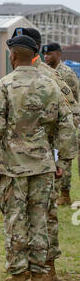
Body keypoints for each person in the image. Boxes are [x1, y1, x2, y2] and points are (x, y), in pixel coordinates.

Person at [0, 35, 77, 281]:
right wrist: (61, 163)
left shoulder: (5, 85)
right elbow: (65, 126)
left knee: (15, 223)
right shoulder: (50, 85)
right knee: (39, 222)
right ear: (35, 55)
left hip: (13, 167)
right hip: (44, 165)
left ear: (13, 56)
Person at [11, 27, 80, 281]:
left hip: (42, 160)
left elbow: (71, 116)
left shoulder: (53, 79)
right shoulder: (15, 77)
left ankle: (46, 268)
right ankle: (31, 267)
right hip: (18, 161)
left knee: (43, 214)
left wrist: (61, 158)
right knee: (25, 215)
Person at [43, 42, 80, 205]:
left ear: (58, 54)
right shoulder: (48, 72)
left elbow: (72, 100)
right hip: (54, 121)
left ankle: (64, 194)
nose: (46, 57)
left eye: (49, 54)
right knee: (56, 157)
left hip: (68, 120)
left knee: (64, 157)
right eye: (44, 54)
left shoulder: (66, 73)